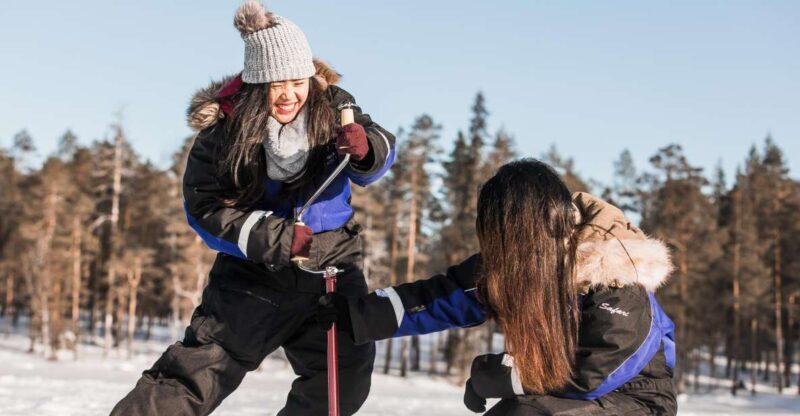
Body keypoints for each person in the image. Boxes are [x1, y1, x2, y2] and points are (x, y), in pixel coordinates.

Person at [111, 2, 395, 415]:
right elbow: (204, 207)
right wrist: (276, 238)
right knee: (193, 378)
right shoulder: (223, 131)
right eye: (276, 83)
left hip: (331, 273)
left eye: (298, 81)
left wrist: (367, 148)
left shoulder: (335, 106)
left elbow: (377, 156)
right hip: (254, 277)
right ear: (257, 82)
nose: (289, 94)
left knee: (340, 387)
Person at [318, 159, 677, 415]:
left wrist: (493, 375)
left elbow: (592, 374)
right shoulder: (521, 266)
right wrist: (356, 314)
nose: (499, 249)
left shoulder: (615, 276)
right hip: (560, 397)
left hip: (638, 403)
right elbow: (442, 297)